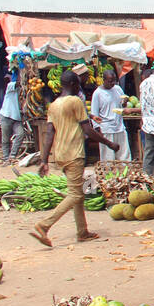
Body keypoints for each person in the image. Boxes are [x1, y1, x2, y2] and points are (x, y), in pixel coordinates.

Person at [30, 70, 119, 247]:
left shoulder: (54, 105)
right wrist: (109, 143)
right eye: (78, 83)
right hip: (74, 153)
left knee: (77, 194)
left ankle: (82, 231)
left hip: (61, 154)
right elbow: (87, 129)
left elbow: (49, 133)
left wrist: (44, 160)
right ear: (71, 84)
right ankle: (44, 225)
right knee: (75, 194)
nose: (80, 86)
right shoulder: (75, 102)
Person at [89, 68, 130, 162]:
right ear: (104, 80)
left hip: (119, 127)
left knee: (124, 157)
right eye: (110, 81)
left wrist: (125, 102)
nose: (112, 83)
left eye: (114, 81)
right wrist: (98, 131)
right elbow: (94, 113)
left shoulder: (118, 89)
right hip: (106, 130)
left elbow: (122, 105)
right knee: (108, 159)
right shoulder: (98, 93)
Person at [0, 73, 24, 162]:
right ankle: (5, 158)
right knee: (5, 139)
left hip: (17, 118)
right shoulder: (10, 86)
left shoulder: (22, 90)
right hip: (6, 115)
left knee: (20, 134)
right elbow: (17, 83)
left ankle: (12, 155)